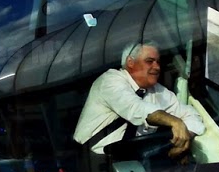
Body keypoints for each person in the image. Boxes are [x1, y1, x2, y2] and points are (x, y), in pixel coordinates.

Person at [74, 41, 204, 160]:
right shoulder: (110, 80)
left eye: (158, 62)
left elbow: (192, 115)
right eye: (150, 61)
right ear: (130, 62)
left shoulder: (158, 90)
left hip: (137, 159)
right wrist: (175, 121)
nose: (157, 67)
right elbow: (136, 108)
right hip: (94, 160)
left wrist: (184, 138)